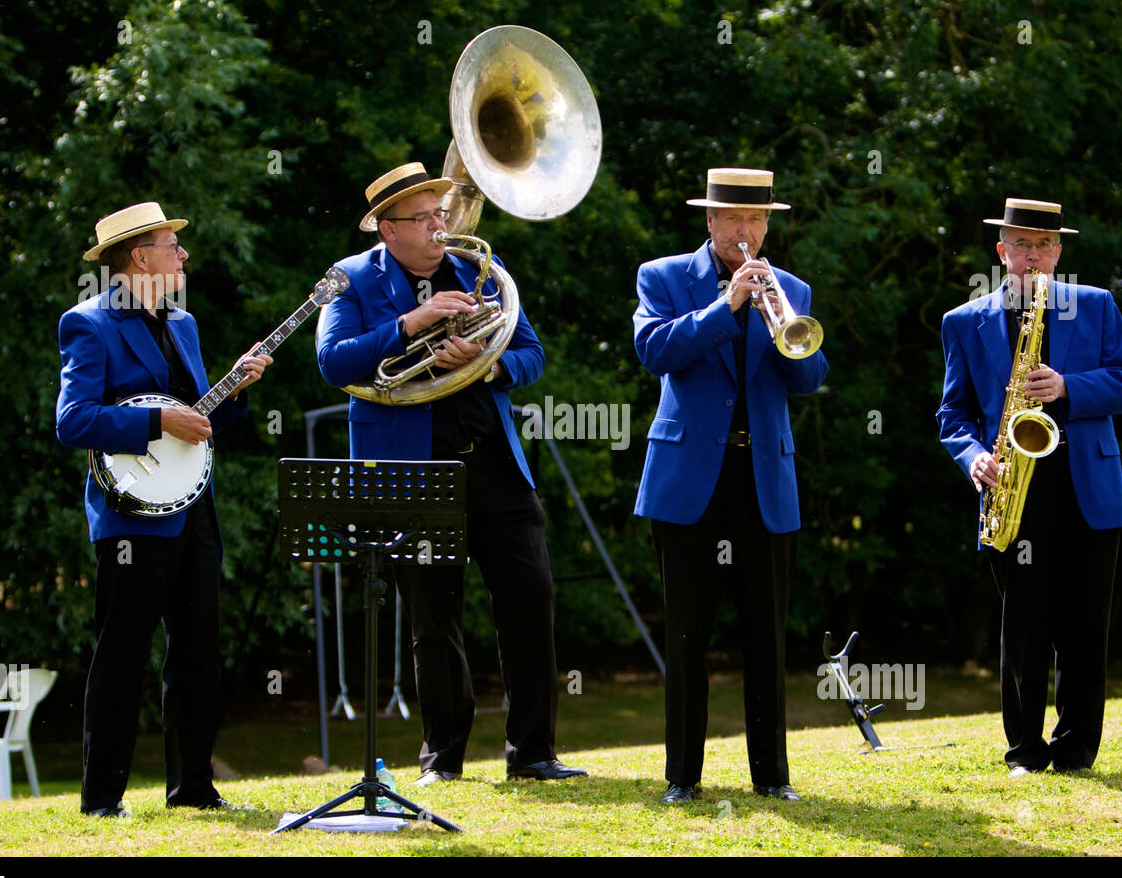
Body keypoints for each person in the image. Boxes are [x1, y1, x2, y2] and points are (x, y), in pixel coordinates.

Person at [316, 162, 585, 785]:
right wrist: (411, 324)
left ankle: (535, 754)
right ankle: (444, 760)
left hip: (492, 461)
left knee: (530, 602)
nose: (441, 224)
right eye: (425, 217)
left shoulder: (480, 272)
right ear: (387, 229)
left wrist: (486, 365)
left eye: (441, 212)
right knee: (433, 620)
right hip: (412, 473)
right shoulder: (352, 280)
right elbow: (333, 362)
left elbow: (531, 354)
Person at [56, 202, 270, 816]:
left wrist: (234, 389)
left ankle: (194, 790)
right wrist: (155, 418)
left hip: (194, 505)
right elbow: (73, 423)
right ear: (136, 258)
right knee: (123, 652)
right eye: (170, 245)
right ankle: (102, 799)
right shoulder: (88, 323)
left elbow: (197, 421)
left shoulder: (185, 325)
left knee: (199, 650)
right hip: (130, 516)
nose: (183, 254)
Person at [633, 167, 828, 804]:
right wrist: (728, 307)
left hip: (762, 476)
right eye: (732, 219)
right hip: (689, 477)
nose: (745, 232)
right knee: (687, 633)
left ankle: (772, 776)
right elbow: (654, 352)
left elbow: (810, 377)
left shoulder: (790, 286)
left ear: (767, 224)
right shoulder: (662, 277)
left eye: (756, 220)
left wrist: (782, 317)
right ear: (710, 221)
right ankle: (682, 779)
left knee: (766, 634)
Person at [937, 197, 1122, 776]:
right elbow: (952, 415)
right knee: (1023, 628)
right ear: (1001, 252)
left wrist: (1069, 387)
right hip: (1011, 489)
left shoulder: (1097, 307)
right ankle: (1024, 750)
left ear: (1059, 252)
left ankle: (1076, 748)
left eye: (1043, 246)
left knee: (1084, 628)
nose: (1032, 256)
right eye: (1020, 245)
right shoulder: (963, 321)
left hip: (1086, 488)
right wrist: (974, 457)